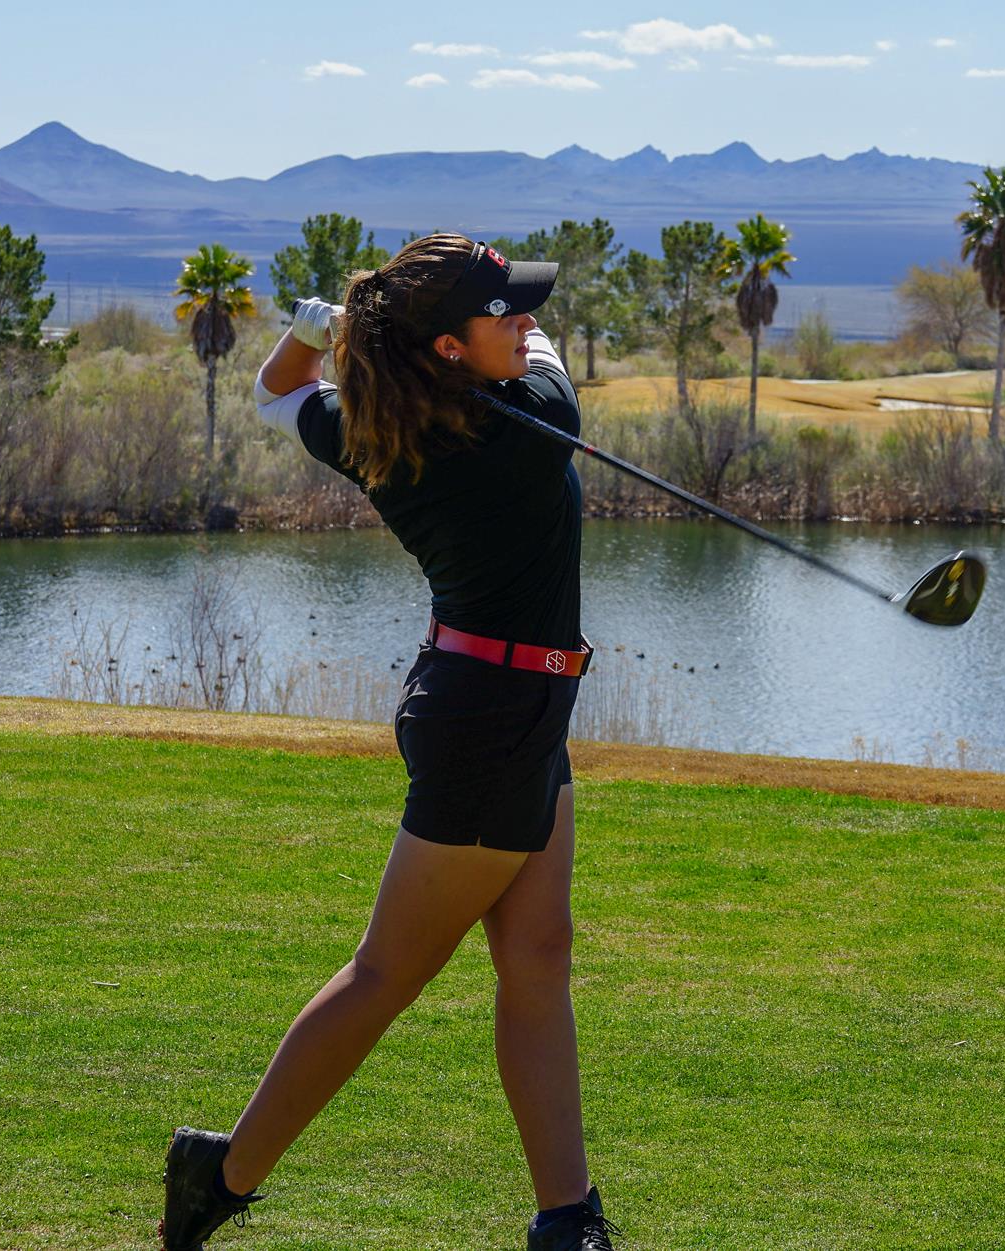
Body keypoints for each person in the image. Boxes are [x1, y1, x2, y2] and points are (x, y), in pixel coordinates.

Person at [157, 234, 621, 1251]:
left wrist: (325, 328)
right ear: (448, 349)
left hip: (511, 707)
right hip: (488, 722)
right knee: (386, 976)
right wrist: (369, 327)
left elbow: (276, 391)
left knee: (538, 954)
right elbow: (546, 372)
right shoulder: (535, 421)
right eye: (505, 313)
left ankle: (565, 1216)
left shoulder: (372, 423)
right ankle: (220, 1174)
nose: (528, 324)